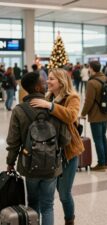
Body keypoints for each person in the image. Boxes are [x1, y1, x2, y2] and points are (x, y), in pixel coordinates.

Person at [6, 72, 71, 225]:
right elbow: (66, 139)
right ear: (37, 87)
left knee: (33, 203)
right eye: (43, 81)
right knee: (48, 205)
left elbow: (13, 142)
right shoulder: (54, 108)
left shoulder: (19, 110)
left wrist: (10, 162)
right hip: (52, 165)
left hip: (30, 165)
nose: (46, 83)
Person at [30, 68, 84, 225]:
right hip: (49, 153)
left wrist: (50, 106)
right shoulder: (47, 97)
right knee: (49, 194)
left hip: (68, 152)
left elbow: (71, 115)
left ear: (61, 82)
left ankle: (69, 220)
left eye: (52, 79)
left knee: (64, 194)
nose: (48, 81)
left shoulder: (72, 97)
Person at [81, 61, 107, 171]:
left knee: (98, 139)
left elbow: (89, 101)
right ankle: (106, 162)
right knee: (103, 137)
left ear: (91, 68)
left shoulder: (92, 83)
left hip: (96, 115)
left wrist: (83, 114)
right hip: (106, 114)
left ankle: (101, 163)